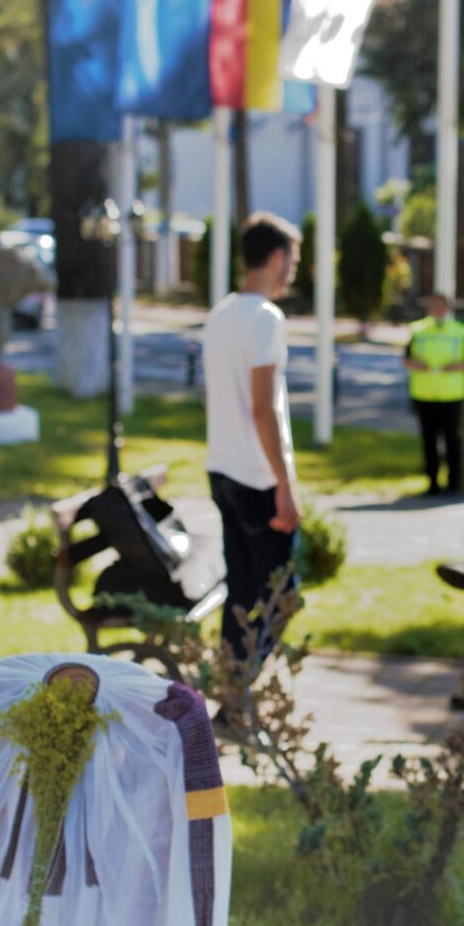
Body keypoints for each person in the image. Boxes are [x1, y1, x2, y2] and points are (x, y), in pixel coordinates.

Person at [202, 212, 302, 672]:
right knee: (280, 596)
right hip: (257, 478)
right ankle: (242, 687)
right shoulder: (265, 318)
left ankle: (230, 685)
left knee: (241, 592)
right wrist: (285, 484)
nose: (292, 271)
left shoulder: (220, 314)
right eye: (293, 261)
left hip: (222, 468)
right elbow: (264, 409)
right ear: (277, 258)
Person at [404, 291, 464, 495]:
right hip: (424, 394)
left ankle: (453, 484)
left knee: (452, 440)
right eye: (432, 305)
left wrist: (456, 367)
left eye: (439, 305)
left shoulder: (459, 331)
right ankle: (432, 484)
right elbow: (406, 359)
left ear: (447, 308)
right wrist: (417, 365)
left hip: (451, 395)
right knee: (429, 441)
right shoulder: (418, 330)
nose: (435, 309)